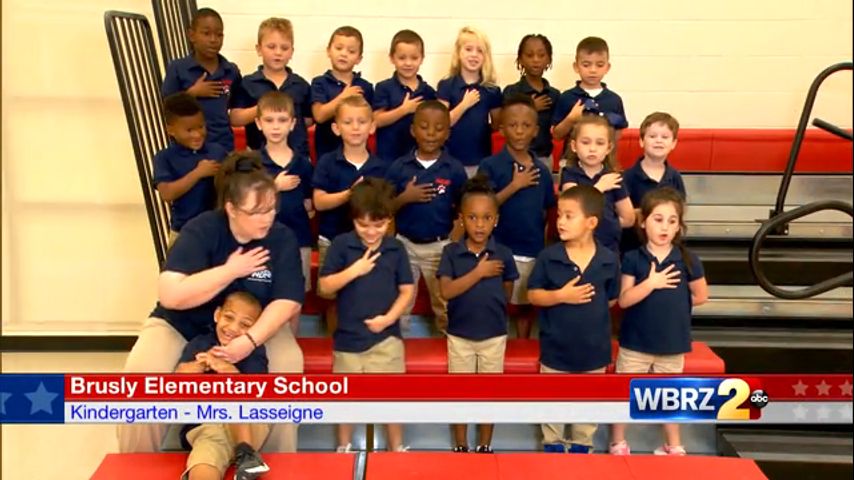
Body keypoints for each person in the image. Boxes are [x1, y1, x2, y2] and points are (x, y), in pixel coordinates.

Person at [117, 151, 305, 454]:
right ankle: (134, 467)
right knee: (141, 378)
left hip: (253, 328)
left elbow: (288, 300)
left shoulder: (281, 238)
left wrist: (250, 340)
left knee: (288, 368)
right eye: (256, 212)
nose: (266, 218)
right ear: (231, 209)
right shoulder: (201, 229)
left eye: (271, 209)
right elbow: (171, 294)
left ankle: (269, 462)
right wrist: (230, 271)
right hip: (183, 325)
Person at [609, 187, 708, 456]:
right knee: (626, 392)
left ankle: (673, 444)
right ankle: (618, 442)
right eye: (658, 219)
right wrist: (651, 284)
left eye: (672, 221)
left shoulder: (688, 260)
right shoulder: (633, 258)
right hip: (636, 343)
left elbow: (701, 295)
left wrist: (675, 304)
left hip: (672, 343)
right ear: (643, 222)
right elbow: (624, 300)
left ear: (679, 226)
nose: (665, 227)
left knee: (670, 395)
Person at [318, 178, 415, 453]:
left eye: (379, 225)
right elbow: (324, 287)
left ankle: (396, 447)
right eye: (363, 225)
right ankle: (343, 446)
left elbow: (407, 291)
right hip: (347, 341)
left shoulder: (396, 249)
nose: (371, 232)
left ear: (389, 220)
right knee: (346, 400)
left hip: (387, 339)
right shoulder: (341, 245)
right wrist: (355, 270)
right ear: (353, 219)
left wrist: (388, 319)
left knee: (391, 399)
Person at [527, 184, 620, 454]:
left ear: (591, 222)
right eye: (559, 216)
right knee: (552, 403)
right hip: (555, 351)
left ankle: (582, 447)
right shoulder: (549, 257)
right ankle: (553, 446)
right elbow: (533, 295)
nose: (560, 221)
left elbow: (612, 298)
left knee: (587, 405)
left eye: (569, 216)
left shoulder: (608, 259)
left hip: (594, 352)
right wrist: (561, 296)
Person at [437, 176, 518, 453]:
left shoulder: (503, 254)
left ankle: (484, 445)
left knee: (489, 394)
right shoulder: (451, 252)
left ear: (495, 219)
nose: (479, 224)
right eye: (472, 217)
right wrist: (478, 273)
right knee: (460, 393)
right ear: (461, 219)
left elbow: (507, 291)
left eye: (486, 218)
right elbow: (446, 291)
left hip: (494, 336)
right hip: (460, 336)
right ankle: (460, 445)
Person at [477, 95, 556, 339]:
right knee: (495, 299)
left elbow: (545, 211)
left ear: (535, 130)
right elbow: (483, 207)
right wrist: (514, 185)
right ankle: (494, 339)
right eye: (513, 125)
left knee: (524, 303)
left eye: (526, 126)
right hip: (498, 247)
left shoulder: (541, 170)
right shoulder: (490, 165)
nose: (519, 131)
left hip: (530, 247)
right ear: (502, 127)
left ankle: (522, 342)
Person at [385, 101, 467, 335]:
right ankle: (396, 345)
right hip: (405, 244)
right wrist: (405, 197)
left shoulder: (454, 168)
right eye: (424, 127)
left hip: (440, 246)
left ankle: (448, 345)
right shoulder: (399, 167)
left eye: (439, 128)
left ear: (448, 132)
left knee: (444, 303)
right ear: (413, 130)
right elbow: (385, 208)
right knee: (401, 300)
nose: (431, 134)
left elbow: (464, 207)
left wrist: (454, 238)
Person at [177, 291, 270, 480]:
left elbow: (254, 391)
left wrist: (228, 369)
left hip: (249, 427)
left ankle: (246, 453)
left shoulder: (254, 351)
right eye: (229, 318)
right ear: (217, 315)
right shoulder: (201, 343)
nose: (233, 328)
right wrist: (203, 363)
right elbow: (180, 376)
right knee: (203, 460)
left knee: (233, 389)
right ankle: (247, 462)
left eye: (245, 325)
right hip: (207, 425)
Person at [255, 92, 314, 297]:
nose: (276, 126)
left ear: (292, 124)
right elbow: (247, 200)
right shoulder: (254, 163)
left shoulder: (303, 164)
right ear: (258, 123)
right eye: (269, 120)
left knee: (296, 294)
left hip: (299, 238)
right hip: (263, 239)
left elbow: (309, 201)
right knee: (264, 292)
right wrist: (274, 186)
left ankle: (292, 331)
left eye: (282, 120)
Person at [230, 17, 313, 156]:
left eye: (284, 48)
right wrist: (264, 108)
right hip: (260, 158)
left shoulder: (301, 85)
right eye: (271, 47)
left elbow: (308, 120)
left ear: (292, 51)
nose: (278, 53)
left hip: (297, 157)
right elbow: (235, 118)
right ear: (259, 49)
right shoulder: (248, 83)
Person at [162, 8, 241, 152]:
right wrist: (192, 93)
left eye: (219, 35)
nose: (213, 40)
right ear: (191, 35)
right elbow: (168, 105)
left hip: (225, 146)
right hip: (188, 148)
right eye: (206, 33)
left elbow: (237, 108)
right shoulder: (178, 68)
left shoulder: (231, 71)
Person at [154, 93, 227, 245]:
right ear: (171, 130)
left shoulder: (217, 151)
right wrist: (197, 173)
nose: (197, 134)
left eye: (201, 127)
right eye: (189, 130)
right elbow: (167, 193)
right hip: (182, 231)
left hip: (217, 229)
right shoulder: (164, 158)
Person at [560, 115, 635, 255]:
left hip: (608, 250)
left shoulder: (614, 177)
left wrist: (609, 226)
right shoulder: (570, 174)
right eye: (586, 142)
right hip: (576, 249)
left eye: (599, 143)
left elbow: (629, 218)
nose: (592, 149)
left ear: (608, 148)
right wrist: (599, 187)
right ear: (574, 146)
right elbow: (573, 206)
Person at [437, 26, 503, 177]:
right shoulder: (447, 85)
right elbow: (441, 123)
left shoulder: (491, 90)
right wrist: (464, 105)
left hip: (480, 158)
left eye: (480, 51)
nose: (474, 55)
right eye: (468, 49)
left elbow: (497, 124)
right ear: (458, 53)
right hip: (450, 158)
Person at [620, 112, 687, 253]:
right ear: (641, 141)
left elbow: (680, 209)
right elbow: (623, 213)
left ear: (673, 143)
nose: (659, 140)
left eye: (665, 137)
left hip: (666, 247)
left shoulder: (674, 177)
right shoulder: (628, 177)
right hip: (633, 246)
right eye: (652, 136)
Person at [552, 36, 627, 159]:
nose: (593, 70)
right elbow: (557, 135)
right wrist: (571, 119)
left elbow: (618, 133)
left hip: (604, 163)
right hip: (571, 162)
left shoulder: (614, 100)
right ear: (576, 67)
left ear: (607, 67)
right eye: (586, 65)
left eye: (599, 65)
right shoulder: (567, 97)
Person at [373, 29, 437, 165]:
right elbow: (376, 120)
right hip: (388, 158)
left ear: (422, 59)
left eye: (414, 58)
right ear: (392, 58)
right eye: (402, 58)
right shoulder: (383, 87)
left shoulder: (428, 92)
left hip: (418, 160)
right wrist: (404, 110)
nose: (408, 63)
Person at [311, 26, 374, 159]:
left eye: (351, 51)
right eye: (338, 48)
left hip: (359, 155)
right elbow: (319, 115)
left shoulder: (365, 87)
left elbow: (371, 122)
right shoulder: (319, 83)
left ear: (359, 58)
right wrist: (343, 97)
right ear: (328, 51)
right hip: (326, 154)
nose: (344, 54)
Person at [503, 34, 560, 167]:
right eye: (529, 55)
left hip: (544, 157)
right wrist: (531, 107)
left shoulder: (554, 95)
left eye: (541, 55)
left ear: (549, 60)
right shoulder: (511, 92)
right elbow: (502, 122)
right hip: (515, 157)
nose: (535, 60)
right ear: (520, 59)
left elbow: (557, 130)